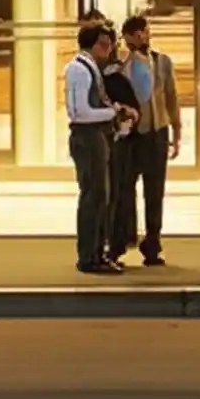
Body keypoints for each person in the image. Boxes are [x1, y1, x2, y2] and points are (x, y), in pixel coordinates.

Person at [109, 15, 181, 267]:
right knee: (123, 189)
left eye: (144, 32)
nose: (141, 37)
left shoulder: (162, 62)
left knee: (155, 191)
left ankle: (152, 243)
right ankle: (119, 243)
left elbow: (171, 97)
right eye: (135, 33)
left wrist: (176, 131)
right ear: (126, 37)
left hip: (157, 132)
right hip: (130, 136)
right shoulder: (120, 63)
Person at [65, 22, 137, 275]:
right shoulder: (79, 70)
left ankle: (96, 252)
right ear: (92, 44)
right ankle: (89, 256)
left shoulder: (89, 68)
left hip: (95, 136)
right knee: (93, 196)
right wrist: (113, 112)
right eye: (104, 45)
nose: (108, 51)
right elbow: (79, 112)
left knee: (100, 197)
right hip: (88, 137)